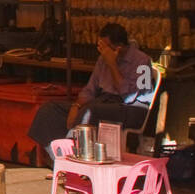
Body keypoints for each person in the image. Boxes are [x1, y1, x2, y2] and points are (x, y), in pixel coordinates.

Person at [28, 23, 154, 153]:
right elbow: (90, 89)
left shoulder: (142, 61)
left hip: (131, 108)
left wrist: (112, 65)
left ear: (118, 48)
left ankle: (76, 153)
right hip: (103, 101)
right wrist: (75, 106)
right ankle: (59, 155)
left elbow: (130, 97)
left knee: (89, 112)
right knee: (49, 110)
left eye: (105, 47)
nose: (102, 50)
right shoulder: (103, 58)